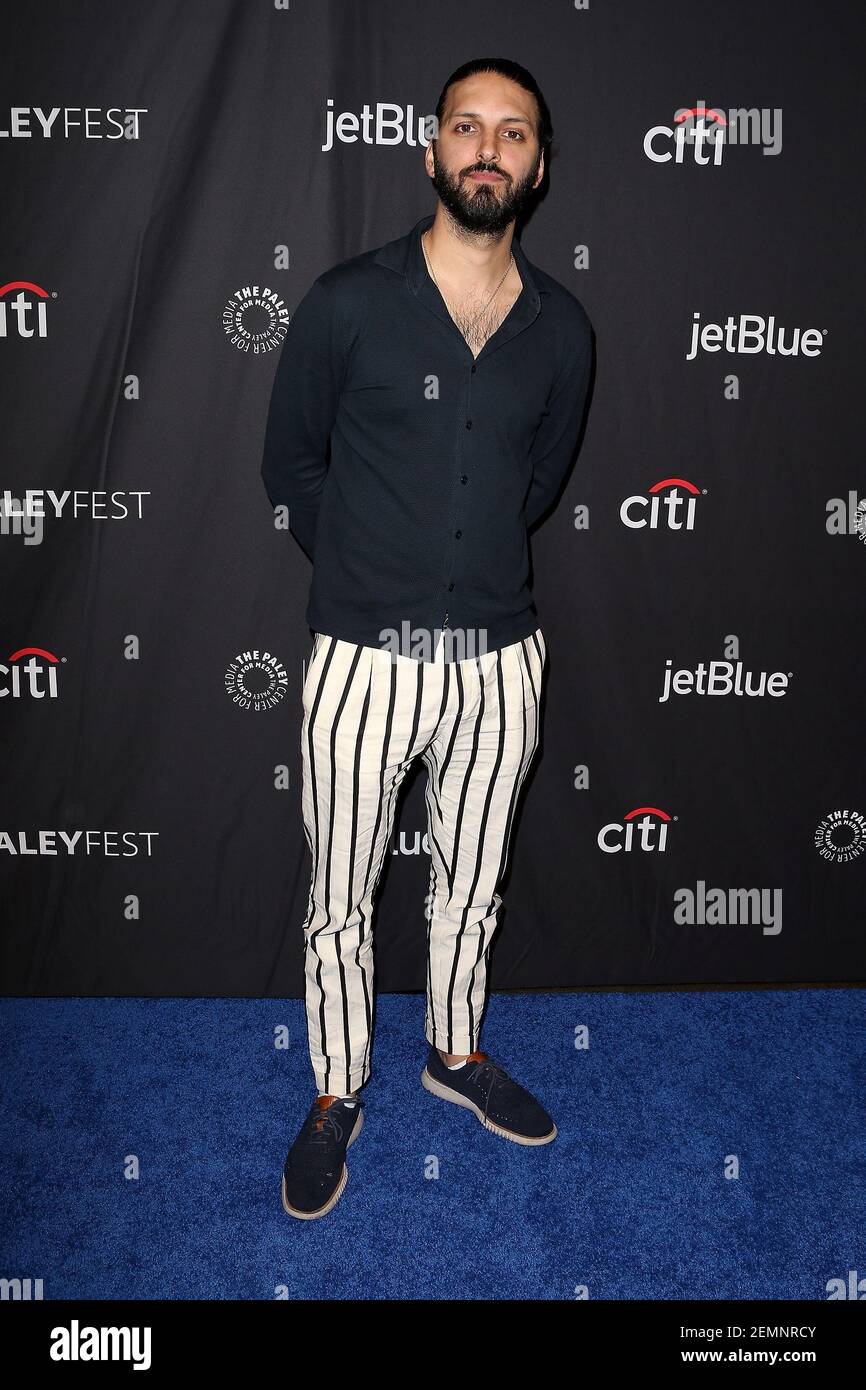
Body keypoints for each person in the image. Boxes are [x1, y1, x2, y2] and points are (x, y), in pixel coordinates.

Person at [261, 57, 593, 1219]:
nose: (487, 147)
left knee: (473, 886)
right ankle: (335, 1090)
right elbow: (290, 465)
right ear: (431, 151)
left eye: (512, 132)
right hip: (359, 661)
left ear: (537, 165)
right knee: (339, 898)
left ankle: (453, 1053)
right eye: (467, 127)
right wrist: (365, 577)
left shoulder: (561, 329)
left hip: (502, 664)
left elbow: (537, 481)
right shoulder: (349, 300)